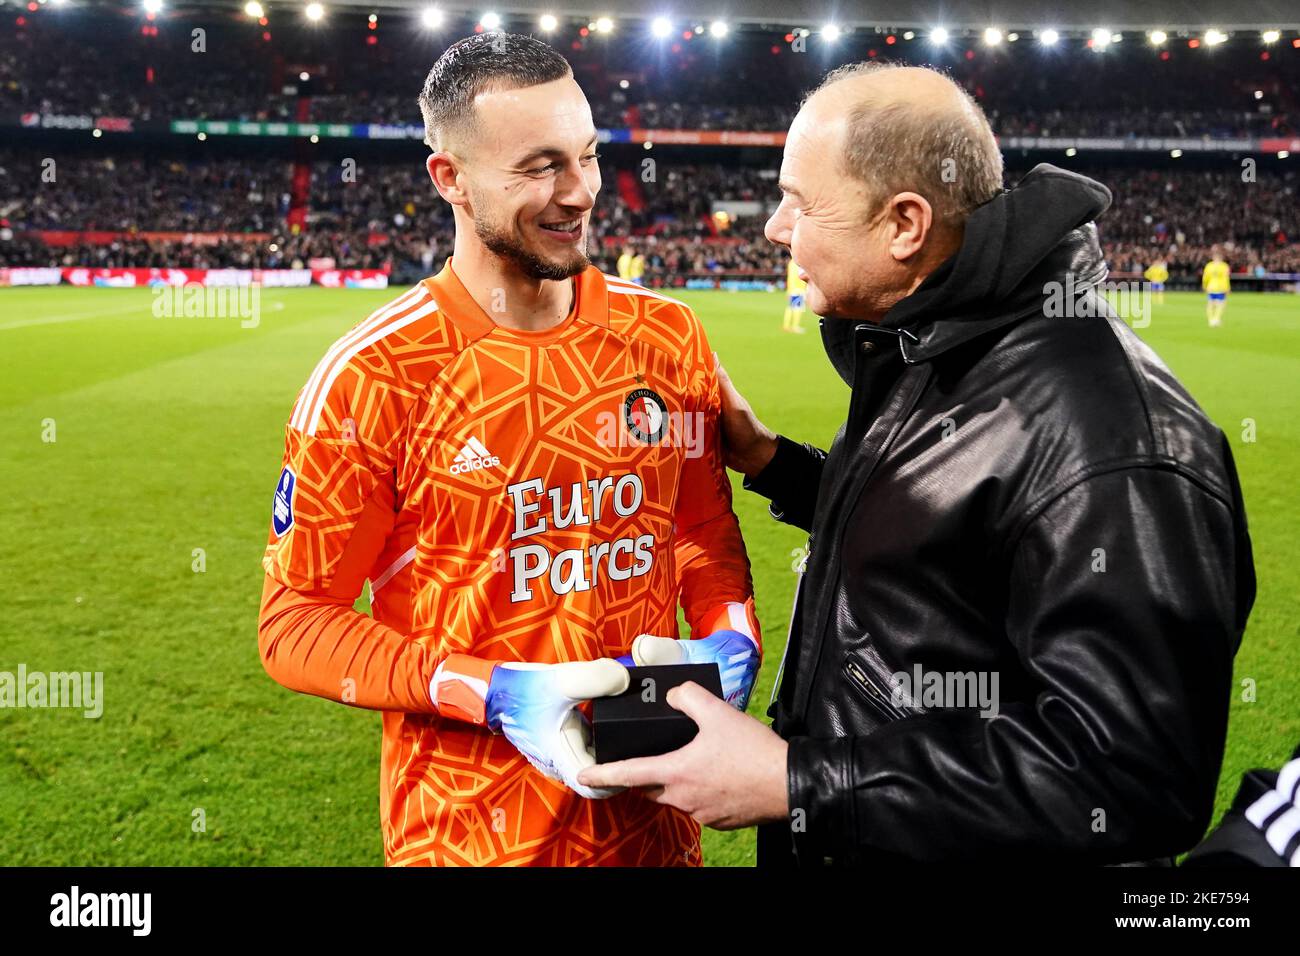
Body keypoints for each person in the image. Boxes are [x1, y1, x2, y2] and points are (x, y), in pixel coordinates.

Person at [580, 61, 1255, 866]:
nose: (775, 228)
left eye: (800, 201)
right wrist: (772, 463)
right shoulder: (936, 338)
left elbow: (1129, 774)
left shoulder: (1118, 443)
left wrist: (799, 781)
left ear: (905, 224)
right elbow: (944, 529)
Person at [257, 33, 761, 867]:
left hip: (658, 833)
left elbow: (697, 529)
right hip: (464, 837)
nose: (581, 193)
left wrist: (730, 630)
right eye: (539, 167)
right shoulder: (375, 377)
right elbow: (294, 625)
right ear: (449, 178)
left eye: (589, 157)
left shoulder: (666, 335)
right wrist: (489, 693)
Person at [1203, 246, 1231, 326]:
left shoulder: (1209, 266)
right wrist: (1228, 288)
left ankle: (1210, 320)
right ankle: (1216, 319)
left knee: (1210, 304)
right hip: (1220, 287)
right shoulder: (1224, 266)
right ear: (1221, 258)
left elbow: (1205, 277)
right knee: (1221, 304)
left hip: (1211, 287)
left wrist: (1205, 285)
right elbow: (1226, 278)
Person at [782, 254, 807, 333]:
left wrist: (789, 290)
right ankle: (795, 326)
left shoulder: (792, 263)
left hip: (794, 289)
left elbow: (790, 278)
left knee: (791, 307)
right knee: (797, 308)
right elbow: (796, 277)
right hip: (798, 289)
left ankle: (786, 326)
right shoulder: (797, 264)